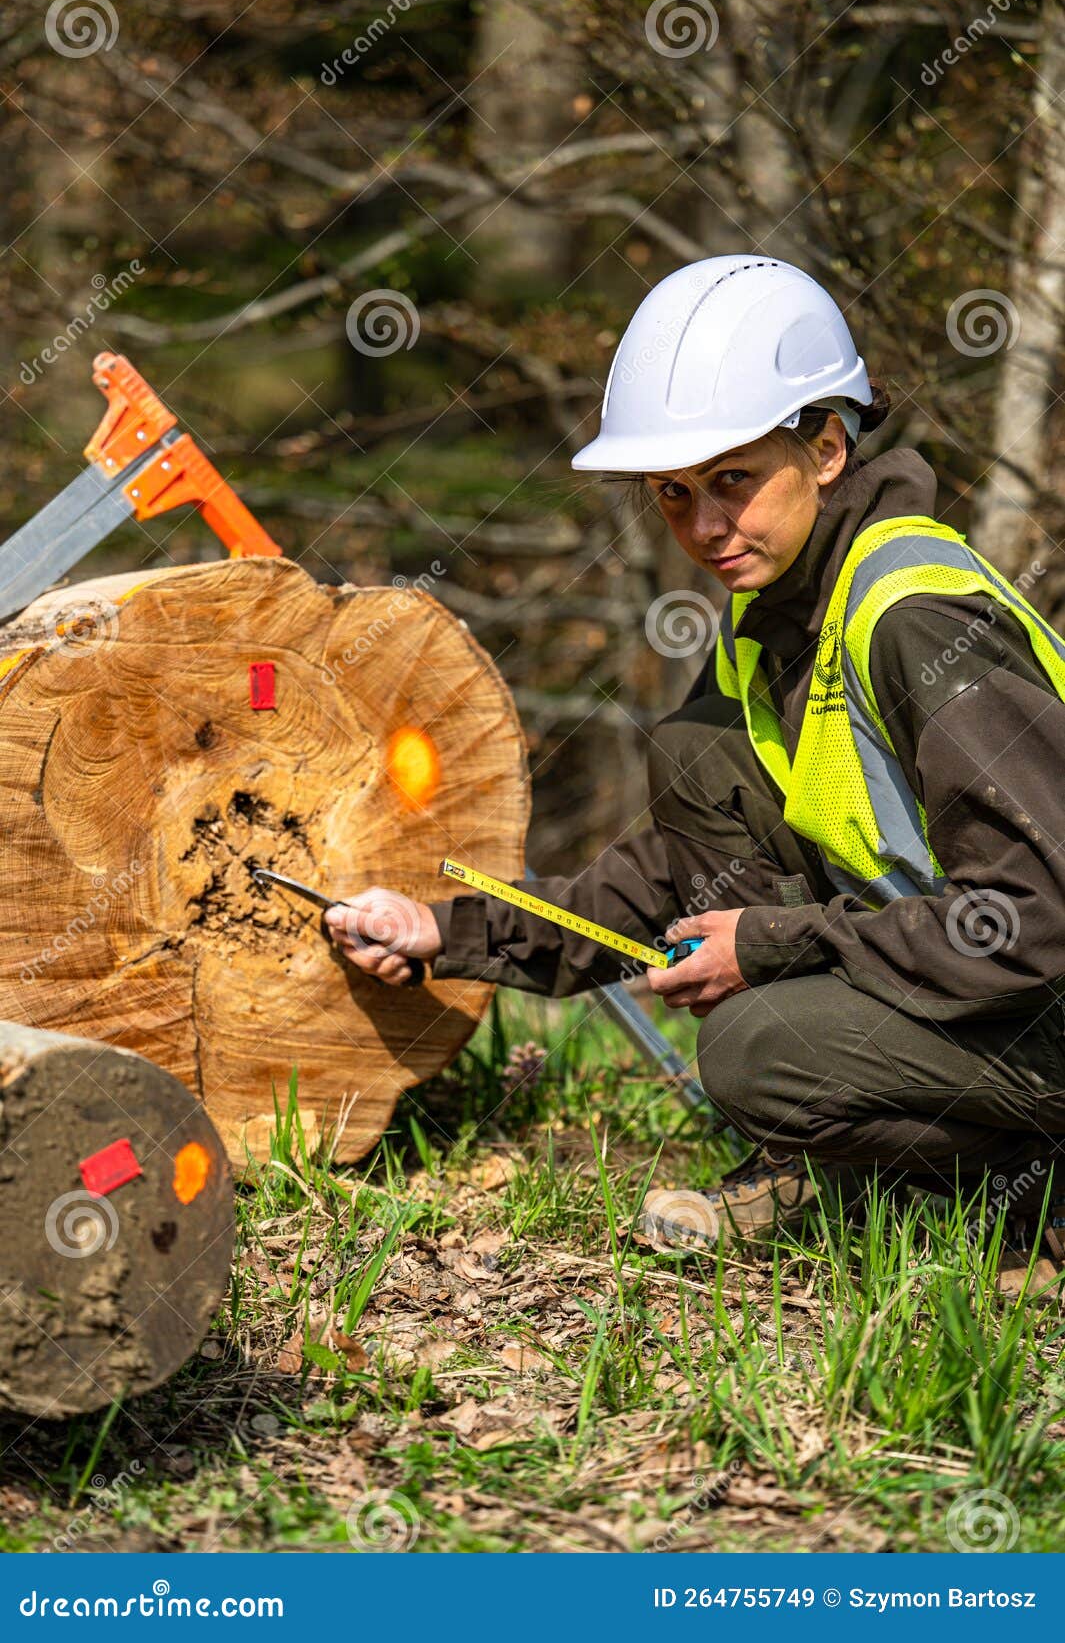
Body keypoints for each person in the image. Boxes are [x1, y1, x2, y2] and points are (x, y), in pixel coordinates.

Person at [325, 253, 1065, 1264]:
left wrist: (774, 944)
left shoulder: (913, 615)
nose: (705, 527)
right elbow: (673, 871)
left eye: (733, 481)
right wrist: (448, 934)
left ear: (830, 446)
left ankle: (1024, 1200)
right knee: (695, 759)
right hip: (995, 998)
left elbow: (1038, 922)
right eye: (673, 494)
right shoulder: (773, 621)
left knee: (761, 1046)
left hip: (1042, 989)